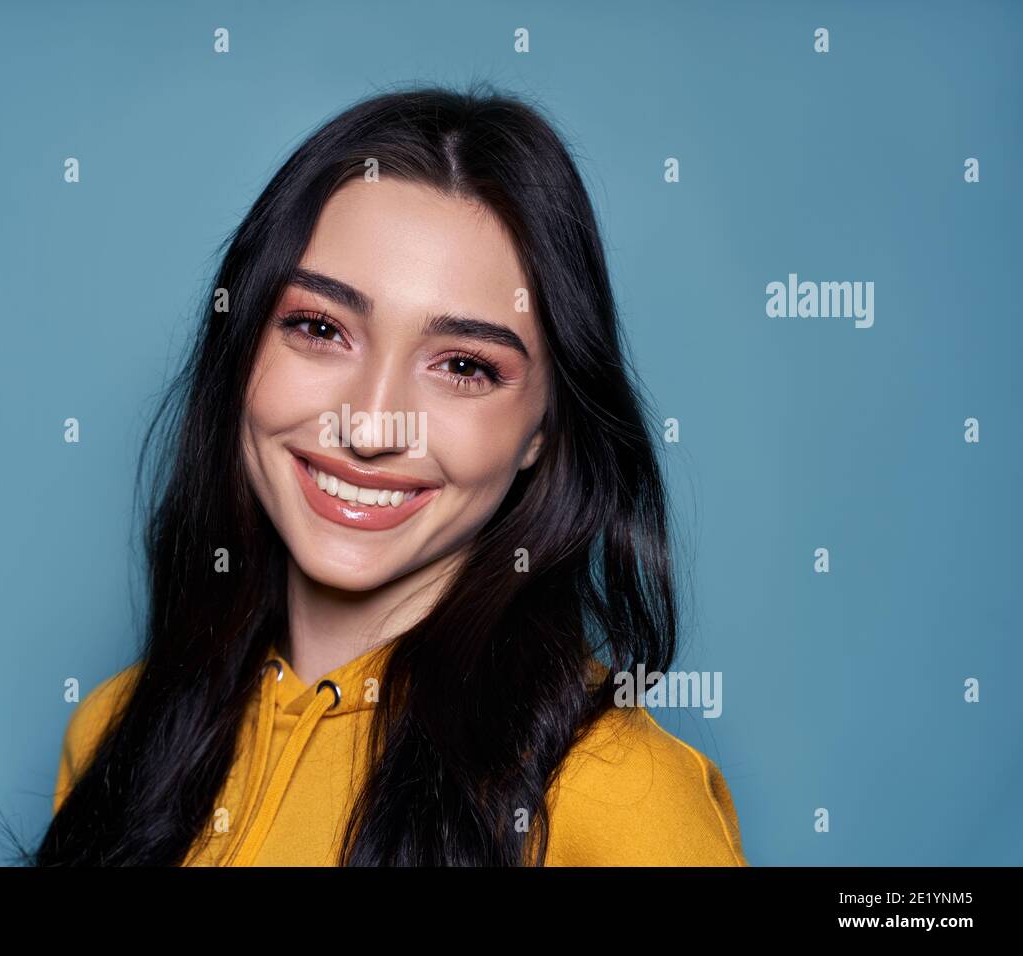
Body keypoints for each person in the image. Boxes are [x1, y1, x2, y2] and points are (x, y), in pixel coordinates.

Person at [38, 83, 749, 866]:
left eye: (466, 367)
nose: (372, 425)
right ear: (241, 347)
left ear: (542, 431)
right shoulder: (114, 732)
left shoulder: (622, 797)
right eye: (318, 327)